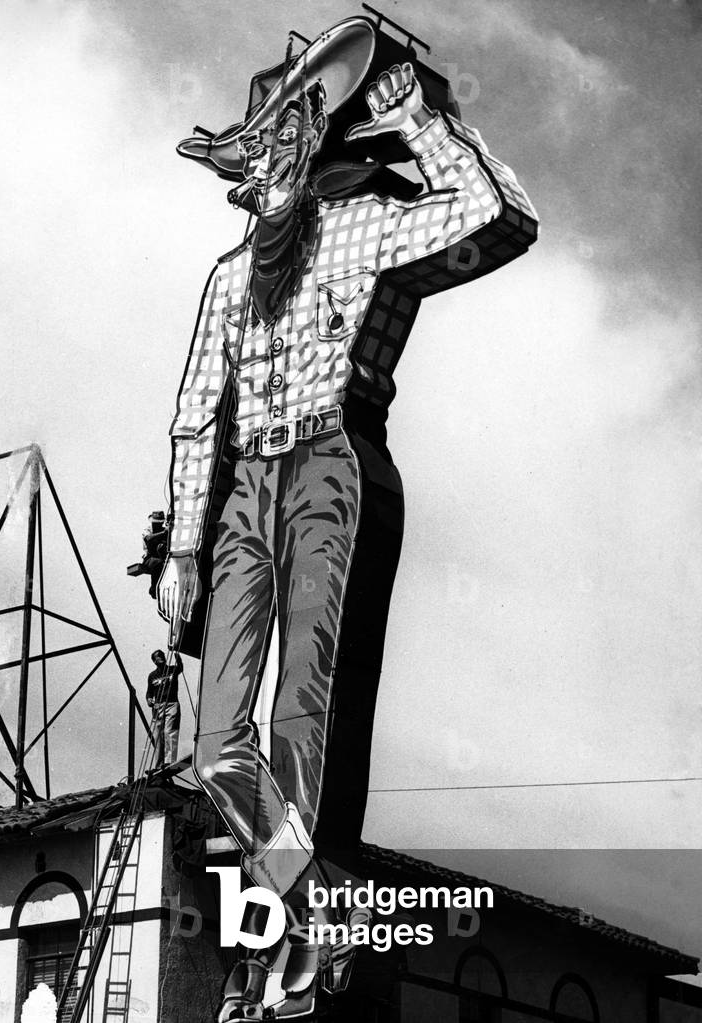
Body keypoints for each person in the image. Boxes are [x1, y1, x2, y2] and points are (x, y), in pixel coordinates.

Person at [156, 17, 537, 1021]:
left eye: (289, 138)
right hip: (243, 489)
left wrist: (416, 123)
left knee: (301, 720)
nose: (273, 158)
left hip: (330, 469)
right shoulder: (228, 279)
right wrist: (185, 546)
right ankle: (318, 905)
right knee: (215, 750)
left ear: (315, 158)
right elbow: (197, 416)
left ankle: (294, 950)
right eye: (262, 145)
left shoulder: (363, 230)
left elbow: (495, 213)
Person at [146, 649, 182, 769]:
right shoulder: (152, 676)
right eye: (157, 657)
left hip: (171, 704)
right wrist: (149, 700)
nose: (160, 658)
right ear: (154, 661)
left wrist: (178, 657)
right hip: (158, 707)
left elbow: (180, 668)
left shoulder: (172, 670)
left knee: (169, 732)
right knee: (158, 736)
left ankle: (169, 761)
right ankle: (158, 764)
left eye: (161, 655)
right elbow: (149, 693)